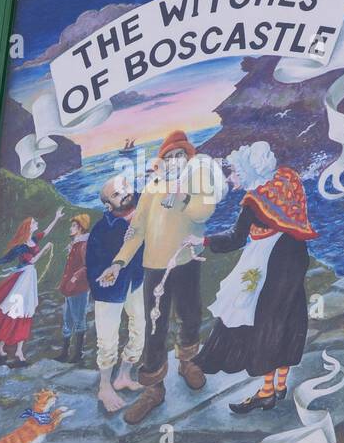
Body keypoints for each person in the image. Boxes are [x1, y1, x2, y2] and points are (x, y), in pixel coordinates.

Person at [97, 130, 224, 425]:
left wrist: (180, 193)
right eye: (170, 156)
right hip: (155, 268)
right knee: (155, 328)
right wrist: (118, 263)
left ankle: (187, 361)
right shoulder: (152, 189)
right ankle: (153, 388)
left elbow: (202, 214)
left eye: (181, 156)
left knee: (191, 316)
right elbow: (137, 231)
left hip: (187, 262)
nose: (175, 161)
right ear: (162, 160)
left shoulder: (197, 183)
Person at [196, 143, 316, 413]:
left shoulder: (254, 202)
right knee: (291, 318)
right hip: (295, 258)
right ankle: (281, 384)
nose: (232, 178)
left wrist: (203, 239)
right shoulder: (288, 181)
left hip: (270, 263)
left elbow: (235, 238)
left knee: (267, 324)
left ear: (249, 171)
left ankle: (266, 392)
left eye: (236, 173)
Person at [85, 175, 145, 412]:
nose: (125, 193)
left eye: (125, 187)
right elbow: (93, 264)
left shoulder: (145, 209)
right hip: (109, 290)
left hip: (136, 282)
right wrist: (107, 277)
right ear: (108, 205)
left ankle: (124, 376)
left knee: (139, 329)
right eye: (117, 194)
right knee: (107, 340)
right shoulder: (102, 229)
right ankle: (104, 387)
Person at [0, 207, 64, 366]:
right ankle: (1, 347)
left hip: (29, 278)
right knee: (14, 310)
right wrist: (44, 250)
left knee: (26, 311)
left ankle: (18, 350)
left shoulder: (33, 240)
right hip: (22, 279)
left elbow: (46, 232)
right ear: (28, 227)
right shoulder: (22, 247)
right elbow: (31, 261)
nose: (36, 223)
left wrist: (57, 217)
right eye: (34, 223)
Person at [57, 213, 91, 364]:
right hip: (69, 288)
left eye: (73, 226)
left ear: (80, 228)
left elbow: (86, 265)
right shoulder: (75, 244)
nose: (70, 228)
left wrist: (74, 277)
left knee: (78, 319)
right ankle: (65, 352)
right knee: (67, 319)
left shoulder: (84, 244)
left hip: (79, 288)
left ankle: (78, 354)